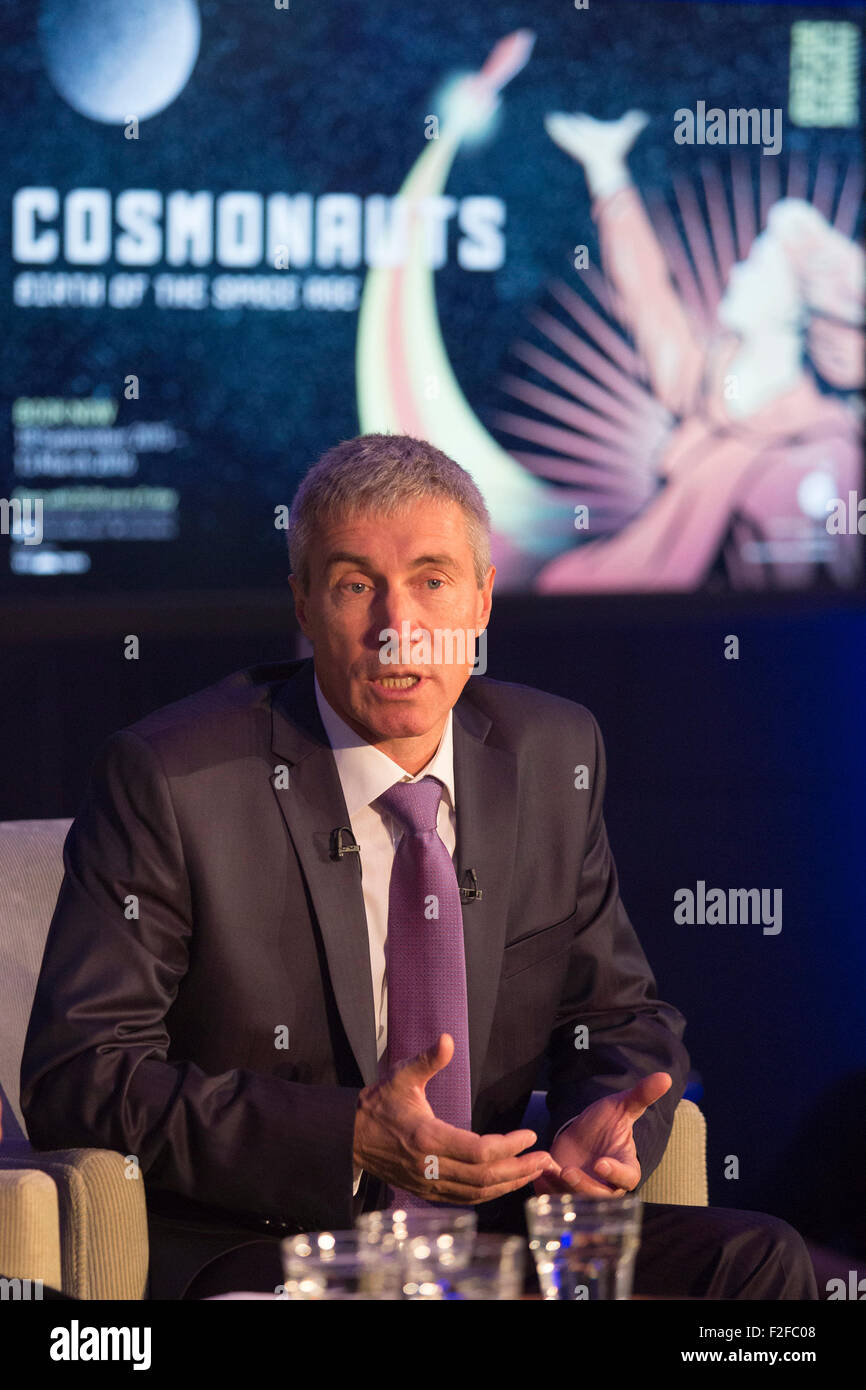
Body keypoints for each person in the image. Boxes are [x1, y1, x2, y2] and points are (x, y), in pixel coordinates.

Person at [20, 433, 817, 1299]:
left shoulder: (550, 754)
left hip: (489, 1236)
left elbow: (619, 1015)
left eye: (432, 582)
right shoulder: (173, 778)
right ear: (304, 604)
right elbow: (80, 1074)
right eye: (356, 585)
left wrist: (602, 1124)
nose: (399, 631)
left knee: (755, 1262)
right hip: (275, 1246)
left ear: (480, 604)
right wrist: (346, 1136)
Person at [536, 110, 864, 592]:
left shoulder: (822, 447)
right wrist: (608, 173)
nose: (740, 271)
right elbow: (651, 303)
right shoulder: (718, 388)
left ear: (795, 308)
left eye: (760, 264)